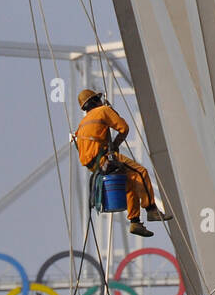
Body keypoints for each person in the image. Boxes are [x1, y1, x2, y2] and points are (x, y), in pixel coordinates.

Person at [74, 89, 172, 237]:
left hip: (93, 165)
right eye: (98, 99)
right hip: (104, 159)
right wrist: (115, 144)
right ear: (95, 101)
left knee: (130, 183)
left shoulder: (82, 124)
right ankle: (151, 210)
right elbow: (123, 128)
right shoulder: (103, 110)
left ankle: (135, 222)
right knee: (141, 172)